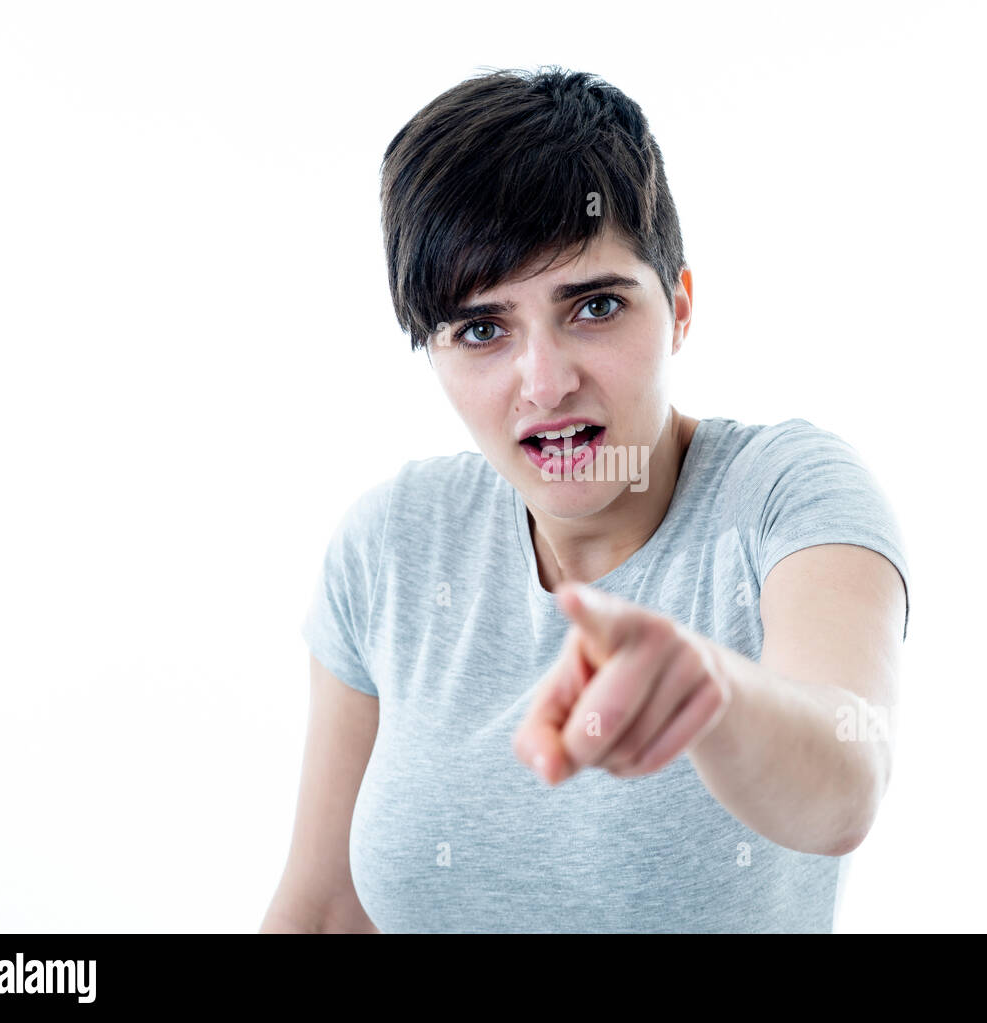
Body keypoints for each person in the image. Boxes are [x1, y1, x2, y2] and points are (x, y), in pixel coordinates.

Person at [260, 65, 910, 934]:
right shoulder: (391, 543)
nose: (545, 381)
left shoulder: (787, 496)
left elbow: (844, 778)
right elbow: (327, 909)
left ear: (679, 306)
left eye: (595, 306)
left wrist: (706, 688)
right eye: (483, 329)